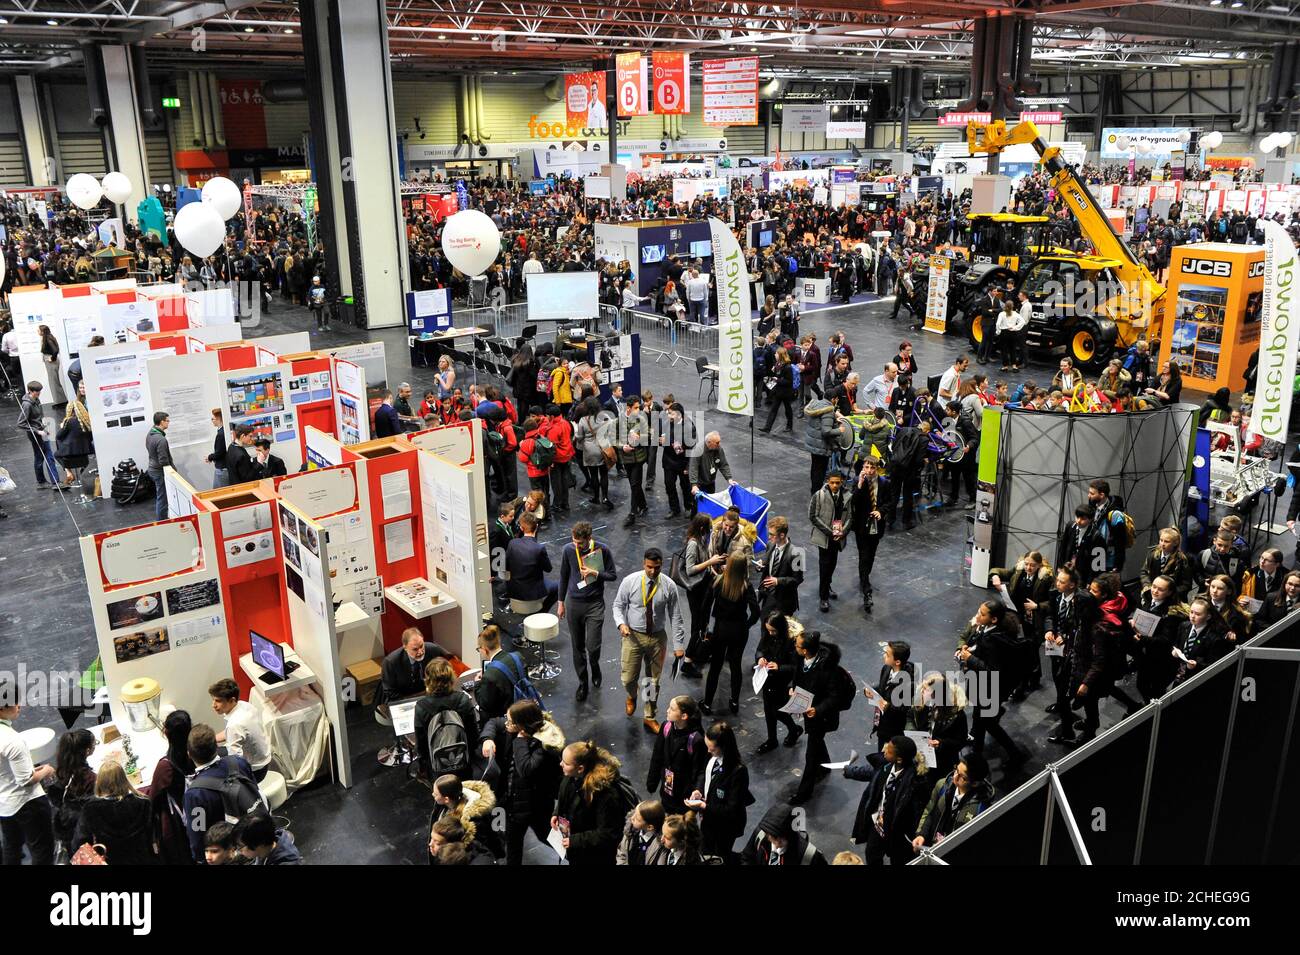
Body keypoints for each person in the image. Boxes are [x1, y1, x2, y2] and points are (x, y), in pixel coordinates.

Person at [613, 548, 688, 733]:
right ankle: (631, 695)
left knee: (652, 681)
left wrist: (679, 645)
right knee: (628, 678)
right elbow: (618, 605)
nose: (653, 571)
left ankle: (649, 716)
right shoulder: (630, 581)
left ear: (661, 564)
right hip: (632, 636)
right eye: (649, 567)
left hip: (657, 638)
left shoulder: (669, 585)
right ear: (643, 563)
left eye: (656, 567)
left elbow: (676, 616)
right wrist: (621, 624)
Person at [480, 700, 563, 866]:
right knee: (513, 846)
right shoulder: (514, 727)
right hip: (513, 804)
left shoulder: (544, 745)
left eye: (510, 721)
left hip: (534, 805)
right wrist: (487, 739)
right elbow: (493, 722)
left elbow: (526, 769)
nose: (506, 723)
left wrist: (520, 740)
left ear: (522, 725)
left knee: (547, 836)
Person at [844, 735, 929, 865]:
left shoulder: (914, 783)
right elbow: (870, 772)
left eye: (889, 751)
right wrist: (850, 771)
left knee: (898, 860)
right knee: (871, 855)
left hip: (897, 832)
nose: (884, 752)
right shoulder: (886, 765)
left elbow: (917, 813)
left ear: (899, 759)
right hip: (878, 825)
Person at [557, 521, 617, 701]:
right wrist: (560, 602)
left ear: (589, 538)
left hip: (594, 604)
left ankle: (595, 665)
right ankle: (583, 682)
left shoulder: (602, 550)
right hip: (574, 603)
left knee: (592, 645)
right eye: (574, 541)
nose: (577, 545)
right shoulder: (568, 550)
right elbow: (563, 575)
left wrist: (595, 573)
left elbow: (613, 575)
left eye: (580, 543)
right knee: (577, 646)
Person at [0, 677, 56, 865]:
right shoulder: (12, 740)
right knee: (42, 850)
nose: (19, 706)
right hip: (27, 804)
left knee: (12, 849)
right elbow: (26, 780)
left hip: (4, 805)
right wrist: (46, 770)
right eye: (14, 703)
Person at [183, 724, 256, 862]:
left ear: (189, 754)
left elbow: (197, 835)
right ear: (216, 746)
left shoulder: (195, 794)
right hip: (254, 841)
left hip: (225, 855)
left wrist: (201, 859)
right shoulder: (239, 763)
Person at [1043, 566, 1100, 745]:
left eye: (1062, 581)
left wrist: (1066, 637)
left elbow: (1080, 626)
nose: (1057, 584)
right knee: (1057, 678)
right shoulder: (1055, 594)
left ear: (1072, 585)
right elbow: (1050, 615)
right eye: (1057, 580)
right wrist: (1050, 630)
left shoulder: (1082, 601)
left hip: (1072, 652)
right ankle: (1062, 703)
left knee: (1065, 688)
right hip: (1055, 647)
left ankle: (1067, 729)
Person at [789, 630, 847, 804]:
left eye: (797, 645)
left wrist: (818, 709)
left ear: (805, 650)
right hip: (807, 708)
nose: (795, 647)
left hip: (821, 716)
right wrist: (793, 689)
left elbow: (834, 697)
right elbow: (798, 676)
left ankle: (804, 792)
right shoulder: (801, 658)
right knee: (816, 741)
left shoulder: (827, 669)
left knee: (811, 754)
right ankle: (825, 764)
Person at [699, 553, 761, 715]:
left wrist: (704, 627)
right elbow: (756, 612)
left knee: (715, 667)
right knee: (735, 666)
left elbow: (705, 606)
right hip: (739, 631)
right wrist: (746, 625)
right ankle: (734, 701)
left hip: (721, 630)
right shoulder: (746, 586)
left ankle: (707, 704)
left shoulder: (718, 582)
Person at [989, 550, 1053, 699]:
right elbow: (997, 570)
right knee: (1024, 649)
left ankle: (1023, 685)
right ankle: (1033, 676)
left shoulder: (1046, 579)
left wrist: (1037, 606)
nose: (1029, 568)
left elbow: (1052, 602)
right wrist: (996, 577)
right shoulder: (1019, 570)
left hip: (1034, 620)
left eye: (1033, 565)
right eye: (1027, 564)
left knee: (1029, 649)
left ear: (1039, 565)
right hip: (1017, 617)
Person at [550, 741, 625, 865]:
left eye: (566, 763)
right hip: (577, 850)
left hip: (594, 856)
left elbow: (608, 832)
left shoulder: (605, 794)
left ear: (580, 768)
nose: (561, 764)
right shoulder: (570, 776)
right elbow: (567, 798)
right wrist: (557, 812)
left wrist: (574, 841)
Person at [687, 721, 751, 863]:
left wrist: (704, 806)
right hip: (709, 819)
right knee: (705, 850)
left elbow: (731, 810)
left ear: (724, 748)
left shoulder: (738, 772)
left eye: (712, 749)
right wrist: (698, 790)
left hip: (725, 827)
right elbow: (705, 773)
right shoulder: (713, 756)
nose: (708, 751)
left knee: (720, 856)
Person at [71, 763, 157, 865]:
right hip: (142, 859)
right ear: (124, 779)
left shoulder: (90, 810)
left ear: (99, 782)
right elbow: (153, 836)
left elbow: (78, 844)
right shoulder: (143, 803)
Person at [911, 753, 994, 853]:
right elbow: (929, 811)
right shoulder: (942, 785)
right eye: (956, 770)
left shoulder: (981, 809)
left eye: (962, 776)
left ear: (975, 783)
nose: (955, 776)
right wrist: (921, 834)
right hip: (932, 847)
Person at [413, 656, 478, 779]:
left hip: (436, 766)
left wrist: (423, 766)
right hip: (464, 760)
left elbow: (421, 743)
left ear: (428, 680)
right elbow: (473, 734)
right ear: (451, 677)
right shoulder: (463, 700)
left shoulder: (421, 707)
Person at [143, 709, 194, 865]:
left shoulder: (165, 766)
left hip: (176, 824)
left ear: (166, 732)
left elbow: (153, 799)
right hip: (198, 813)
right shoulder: (195, 753)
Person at [646, 695, 707, 816]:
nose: (667, 710)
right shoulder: (666, 727)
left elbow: (701, 769)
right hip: (667, 789)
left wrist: (697, 790)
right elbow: (657, 755)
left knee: (681, 827)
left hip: (684, 796)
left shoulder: (695, 740)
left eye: (672, 709)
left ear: (684, 716)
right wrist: (652, 782)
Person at [208, 678, 273, 782]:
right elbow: (236, 734)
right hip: (263, 760)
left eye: (218, 701)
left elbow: (235, 762)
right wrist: (210, 740)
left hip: (255, 771)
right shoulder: (244, 705)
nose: (213, 705)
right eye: (213, 700)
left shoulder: (235, 724)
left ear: (232, 700)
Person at [808, 471, 853, 613]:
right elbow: (813, 516)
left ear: (842, 482)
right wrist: (830, 532)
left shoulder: (847, 496)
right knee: (824, 565)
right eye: (832, 482)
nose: (835, 485)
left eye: (837, 483)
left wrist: (842, 532)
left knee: (832, 563)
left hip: (838, 537)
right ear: (827, 481)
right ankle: (823, 597)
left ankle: (827, 585)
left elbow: (851, 517)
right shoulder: (819, 495)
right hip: (825, 537)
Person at [851, 456, 887, 613]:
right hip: (861, 526)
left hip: (877, 526)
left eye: (872, 468)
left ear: (877, 468)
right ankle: (867, 589)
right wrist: (859, 484)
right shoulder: (857, 482)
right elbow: (854, 503)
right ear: (862, 468)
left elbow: (890, 502)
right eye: (866, 467)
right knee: (863, 556)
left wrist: (881, 511)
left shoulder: (885, 483)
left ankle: (864, 576)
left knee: (870, 556)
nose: (869, 471)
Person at [865, 641, 915, 751]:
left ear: (897, 662)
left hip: (894, 729)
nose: (884, 655)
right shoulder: (887, 668)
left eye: (887, 654)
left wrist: (888, 706)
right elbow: (884, 685)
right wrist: (872, 690)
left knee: (888, 757)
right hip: (882, 725)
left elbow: (904, 709)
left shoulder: (908, 683)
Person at [740, 803, 828, 865]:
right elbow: (747, 857)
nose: (777, 845)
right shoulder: (761, 834)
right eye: (773, 840)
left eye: (781, 841)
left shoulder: (810, 856)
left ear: (790, 836)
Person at [505, 511, 557, 613]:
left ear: (521, 528)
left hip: (514, 590)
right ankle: (542, 611)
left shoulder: (512, 543)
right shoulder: (539, 548)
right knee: (558, 587)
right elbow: (548, 569)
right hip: (532, 593)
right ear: (536, 526)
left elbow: (506, 566)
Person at [380, 628, 448, 706]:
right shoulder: (390, 662)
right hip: (403, 698)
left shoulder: (434, 650)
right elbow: (390, 692)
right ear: (405, 647)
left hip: (429, 694)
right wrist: (413, 701)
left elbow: (443, 673)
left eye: (422, 646)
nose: (420, 652)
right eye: (415, 649)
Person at [1172, 598, 1228, 685]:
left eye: (1198, 614)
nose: (1192, 616)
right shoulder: (1184, 626)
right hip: (1178, 675)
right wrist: (1174, 652)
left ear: (1208, 616)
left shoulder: (1214, 638)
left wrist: (1197, 665)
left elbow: (1213, 665)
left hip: (1196, 681)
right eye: (1191, 612)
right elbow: (1176, 644)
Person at [757, 515, 804, 617]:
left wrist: (778, 581)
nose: (769, 537)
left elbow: (798, 580)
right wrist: (761, 564)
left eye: (772, 534)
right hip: (767, 597)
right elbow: (768, 563)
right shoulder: (770, 544)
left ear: (782, 535)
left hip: (784, 601)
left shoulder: (797, 553)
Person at [618, 394, 650, 527]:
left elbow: (648, 435)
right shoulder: (620, 419)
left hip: (638, 457)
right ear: (629, 408)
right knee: (633, 484)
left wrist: (639, 437)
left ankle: (632, 513)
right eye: (636, 407)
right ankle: (643, 505)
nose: (638, 410)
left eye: (639, 407)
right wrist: (622, 446)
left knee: (635, 485)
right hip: (626, 457)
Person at [1140, 527, 1194, 602]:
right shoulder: (1152, 554)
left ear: (1175, 543)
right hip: (1153, 595)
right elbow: (1144, 572)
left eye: (1166, 541)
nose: (1162, 544)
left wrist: (1168, 593)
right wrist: (1147, 586)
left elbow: (1186, 585)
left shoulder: (1182, 560)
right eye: (1161, 540)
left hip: (1172, 599)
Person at [54, 389, 93, 487]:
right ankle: (83, 469)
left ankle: (68, 472)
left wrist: (62, 426)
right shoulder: (87, 421)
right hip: (85, 452)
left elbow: (59, 435)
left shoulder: (69, 421)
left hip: (71, 453)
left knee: (57, 453)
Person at [689, 431, 736, 508]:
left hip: (710, 482)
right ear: (709, 442)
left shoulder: (718, 449)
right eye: (717, 442)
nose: (719, 444)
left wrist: (729, 479)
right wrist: (694, 485)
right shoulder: (698, 450)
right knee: (697, 506)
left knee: (710, 503)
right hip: (699, 484)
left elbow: (723, 464)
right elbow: (693, 468)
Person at [616, 800, 667, 865]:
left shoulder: (661, 845)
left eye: (637, 819)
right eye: (634, 813)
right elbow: (622, 854)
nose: (632, 818)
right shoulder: (630, 831)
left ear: (649, 827)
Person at [238, 813, 303, 865]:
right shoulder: (264, 849)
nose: (239, 852)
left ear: (260, 843)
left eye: (240, 847)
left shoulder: (288, 862)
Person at [759, 347, 797, 433]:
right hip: (778, 392)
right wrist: (774, 372)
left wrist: (777, 379)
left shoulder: (787, 367)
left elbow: (789, 381)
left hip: (785, 393)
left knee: (788, 410)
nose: (774, 354)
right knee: (773, 410)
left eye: (776, 353)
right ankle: (767, 427)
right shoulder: (778, 364)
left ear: (780, 355)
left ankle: (789, 426)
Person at [144, 411, 173, 519]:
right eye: (167, 421)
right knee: (162, 497)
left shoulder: (150, 434)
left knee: (161, 495)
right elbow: (163, 461)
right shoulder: (161, 439)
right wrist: (172, 471)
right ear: (162, 422)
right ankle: (162, 521)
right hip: (159, 472)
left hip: (152, 469)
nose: (168, 423)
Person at [205, 408, 228, 487]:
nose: (212, 421)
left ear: (218, 419)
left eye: (212, 419)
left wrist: (210, 457)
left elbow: (220, 452)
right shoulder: (223, 431)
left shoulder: (221, 434)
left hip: (222, 468)